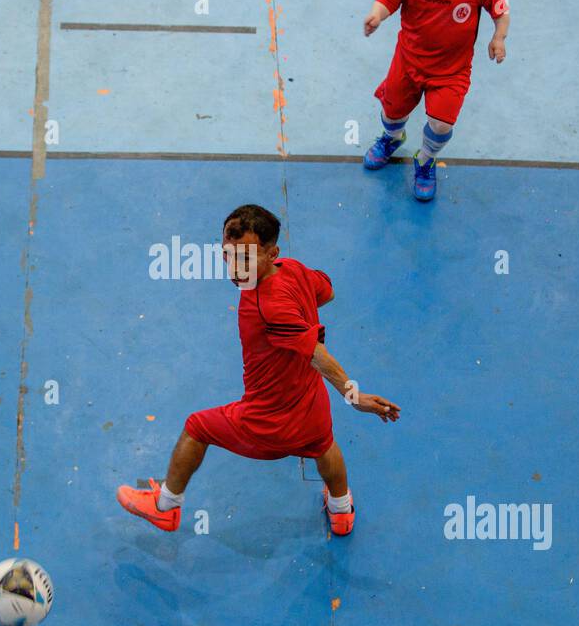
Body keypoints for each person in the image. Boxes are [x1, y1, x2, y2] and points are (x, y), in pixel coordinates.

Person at [116, 204, 400, 537]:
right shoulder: (292, 269)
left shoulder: (266, 305)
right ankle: (341, 512)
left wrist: (356, 397)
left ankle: (165, 507)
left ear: (270, 253)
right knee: (325, 447)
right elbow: (328, 291)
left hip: (266, 420)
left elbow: (316, 353)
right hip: (310, 401)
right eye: (228, 255)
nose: (235, 269)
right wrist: (298, 321)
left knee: (196, 428)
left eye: (246, 259)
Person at [362, 0, 509, 201]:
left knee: (441, 125)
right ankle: (393, 139)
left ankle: (426, 159)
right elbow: (385, 1)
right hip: (408, 63)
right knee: (392, 114)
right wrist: (376, 16)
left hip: (451, 72)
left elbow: (501, 12)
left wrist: (499, 38)